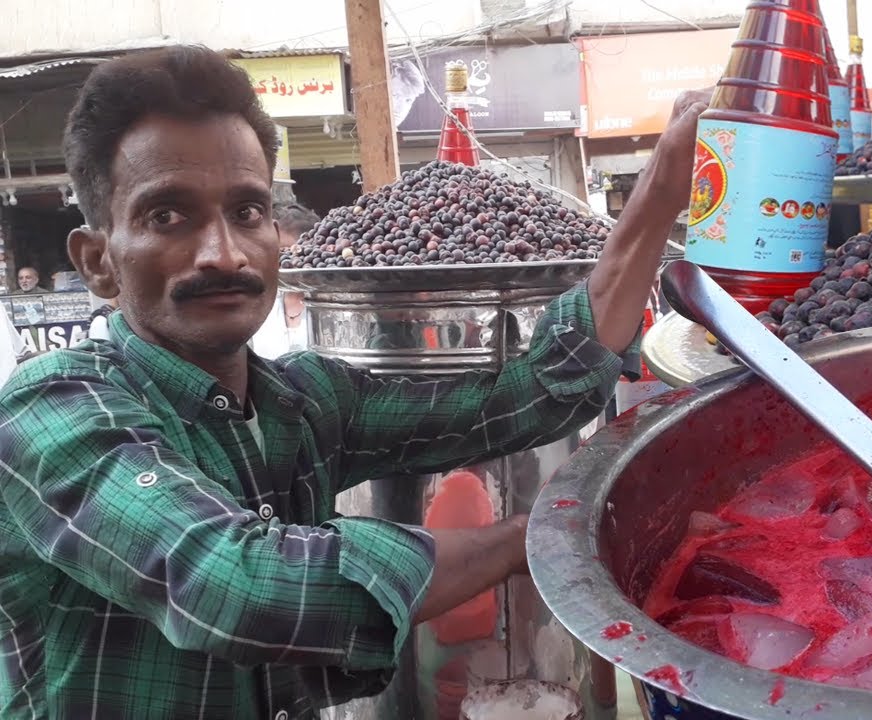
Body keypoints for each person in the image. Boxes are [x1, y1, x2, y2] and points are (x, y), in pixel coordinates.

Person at [0, 45, 706, 718]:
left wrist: (658, 192)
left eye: (247, 212)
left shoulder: (302, 404)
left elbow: (523, 400)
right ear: (97, 260)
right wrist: (532, 541)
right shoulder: (53, 410)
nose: (222, 252)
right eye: (167, 216)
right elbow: (238, 589)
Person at [250, 201, 319, 359]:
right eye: (272, 251)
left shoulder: (333, 307)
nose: (281, 260)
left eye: (287, 251)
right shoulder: (258, 306)